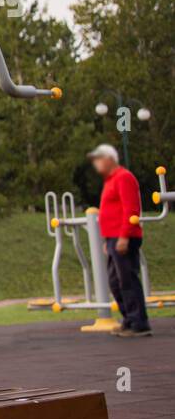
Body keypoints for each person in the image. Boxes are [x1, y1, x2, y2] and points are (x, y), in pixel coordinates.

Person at [89, 143, 152, 338]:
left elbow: (131, 209)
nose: (96, 163)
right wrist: (107, 240)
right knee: (115, 282)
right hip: (113, 238)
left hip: (124, 235)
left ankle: (139, 323)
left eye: (99, 159)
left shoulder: (124, 177)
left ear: (110, 159)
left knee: (127, 280)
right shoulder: (110, 180)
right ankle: (129, 319)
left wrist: (124, 236)